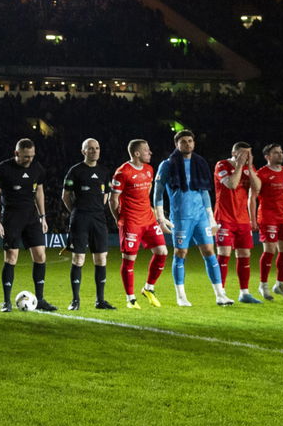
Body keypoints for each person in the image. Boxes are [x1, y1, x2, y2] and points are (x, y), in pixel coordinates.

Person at [154, 131, 233, 306]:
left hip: (200, 216)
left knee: (210, 252)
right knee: (181, 253)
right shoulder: (167, 165)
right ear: (177, 144)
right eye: (183, 142)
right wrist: (160, 216)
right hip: (181, 216)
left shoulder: (200, 163)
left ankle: (220, 294)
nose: (188, 144)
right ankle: (181, 296)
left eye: (190, 141)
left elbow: (204, 191)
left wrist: (211, 217)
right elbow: (158, 191)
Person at [0, 138, 54, 312]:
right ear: (16, 153)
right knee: (11, 257)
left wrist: (43, 217)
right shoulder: (3, 169)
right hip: (11, 217)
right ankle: (6, 302)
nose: (29, 159)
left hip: (32, 217)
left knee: (41, 256)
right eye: (26, 156)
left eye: (32, 156)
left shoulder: (37, 168)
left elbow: (39, 192)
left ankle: (39, 300)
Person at [110, 139, 171, 309]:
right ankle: (130, 299)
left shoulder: (150, 170)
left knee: (162, 252)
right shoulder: (122, 172)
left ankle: (148, 288)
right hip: (131, 221)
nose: (150, 153)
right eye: (146, 150)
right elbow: (112, 200)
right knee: (130, 260)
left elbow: (146, 194)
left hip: (148, 219)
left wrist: (154, 213)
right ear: (137, 153)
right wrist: (118, 219)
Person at [61, 138, 115, 310]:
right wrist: (76, 212)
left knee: (101, 258)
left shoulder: (104, 171)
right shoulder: (75, 171)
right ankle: (75, 300)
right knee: (78, 259)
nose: (94, 151)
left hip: (98, 218)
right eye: (90, 149)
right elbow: (65, 196)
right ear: (83, 151)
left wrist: (96, 209)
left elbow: (106, 195)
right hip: (80, 218)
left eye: (97, 148)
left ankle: (100, 300)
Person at [212, 142, 264, 304]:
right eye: (243, 154)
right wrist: (240, 166)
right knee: (224, 255)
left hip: (242, 219)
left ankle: (244, 293)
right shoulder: (222, 165)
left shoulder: (250, 167)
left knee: (244, 255)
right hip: (224, 217)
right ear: (234, 153)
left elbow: (257, 188)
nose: (246, 157)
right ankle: (221, 294)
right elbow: (232, 184)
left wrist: (248, 166)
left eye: (249, 154)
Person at [253, 143, 283, 301]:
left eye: (281, 152)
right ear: (267, 157)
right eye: (276, 153)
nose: (280, 155)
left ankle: (279, 284)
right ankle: (263, 285)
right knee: (269, 250)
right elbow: (254, 196)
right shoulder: (262, 173)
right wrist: (253, 217)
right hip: (268, 215)